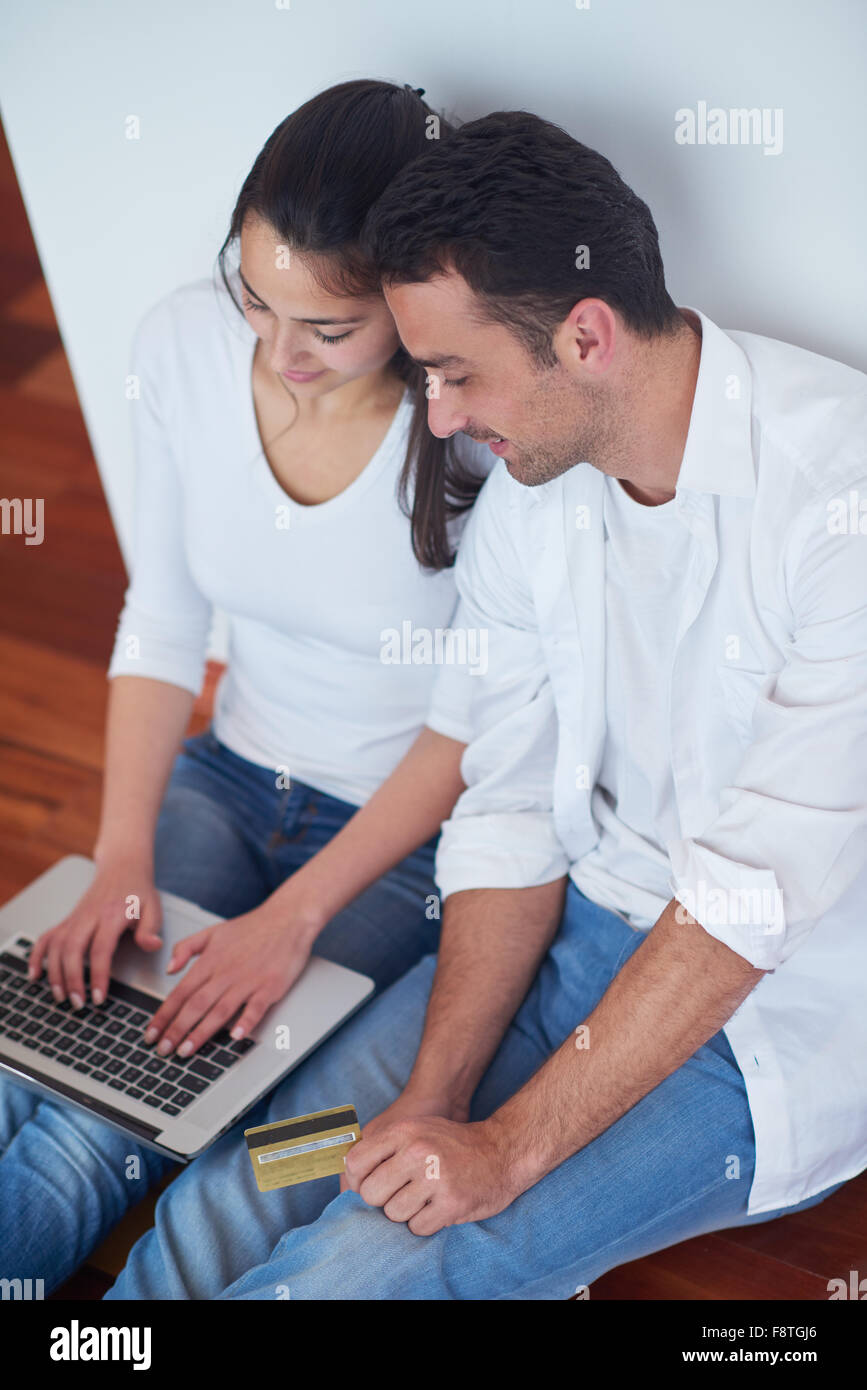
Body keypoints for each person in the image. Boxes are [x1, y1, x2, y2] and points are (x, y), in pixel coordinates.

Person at [103, 110, 867, 1302]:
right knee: (237, 1191)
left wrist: (501, 1149)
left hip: (749, 1028)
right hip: (559, 947)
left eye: (456, 373)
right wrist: (432, 1096)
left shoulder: (839, 503)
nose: (441, 416)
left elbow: (741, 911)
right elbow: (508, 807)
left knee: (349, 1271)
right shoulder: (534, 494)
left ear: (586, 333)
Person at [0, 80, 492, 1293]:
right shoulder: (177, 343)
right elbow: (164, 617)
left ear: (411, 304)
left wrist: (297, 919)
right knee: (32, 1057)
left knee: (107, 1122)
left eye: (327, 327)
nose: (278, 352)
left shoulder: (481, 429)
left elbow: (469, 728)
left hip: (399, 847)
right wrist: (119, 858)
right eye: (255, 297)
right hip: (229, 774)